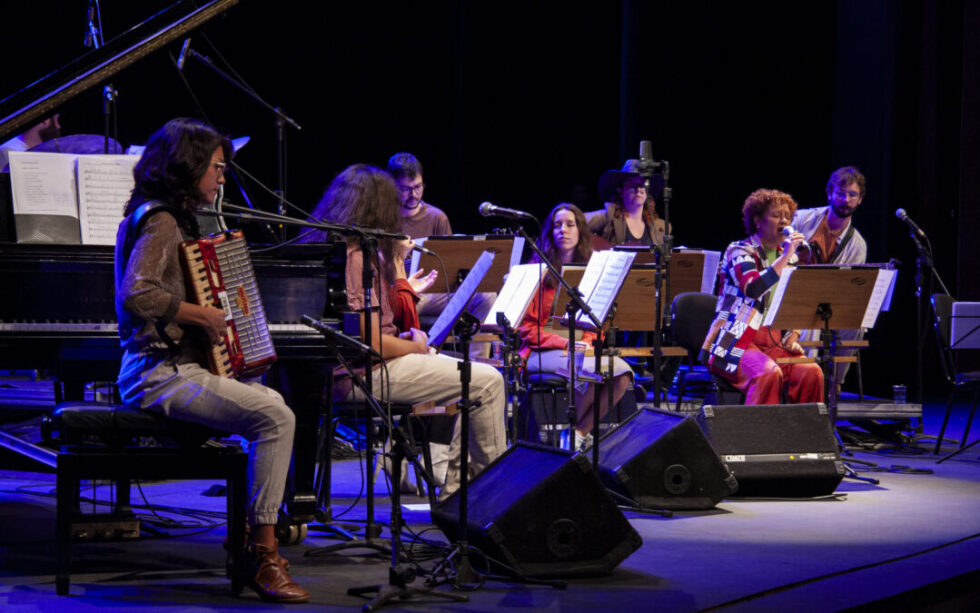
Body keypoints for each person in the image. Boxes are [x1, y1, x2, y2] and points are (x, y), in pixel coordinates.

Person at [114, 118, 308, 603]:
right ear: (190, 165)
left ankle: (250, 535)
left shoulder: (161, 216)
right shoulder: (159, 220)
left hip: (175, 368)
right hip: (157, 373)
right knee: (277, 416)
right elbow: (136, 294)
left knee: (271, 403)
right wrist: (202, 313)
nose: (222, 178)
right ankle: (263, 553)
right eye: (217, 168)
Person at [302, 164, 507, 500]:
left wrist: (407, 331)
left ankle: (462, 491)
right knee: (486, 382)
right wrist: (414, 347)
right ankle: (486, 495)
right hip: (361, 374)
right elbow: (369, 342)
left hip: (365, 367)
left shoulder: (349, 249)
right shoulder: (357, 259)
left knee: (474, 379)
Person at [518, 203, 633, 450]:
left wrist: (589, 342)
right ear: (550, 233)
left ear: (581, 231)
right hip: (541, 351)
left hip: (581, 347)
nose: (563, 230)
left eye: (570, 224)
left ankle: (578, 432)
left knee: (622, 374)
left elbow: (596, 320)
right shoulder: (536, 272)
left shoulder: (592, 271)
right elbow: (526, 329)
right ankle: (571, 437)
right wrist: (566, 343)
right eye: (557, 225)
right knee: (587, 370)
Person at [700, 188, 824, 405]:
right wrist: (785, 256)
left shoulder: (790, 259)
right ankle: (760, 438)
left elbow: (795, 304)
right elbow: (753, 288)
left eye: (787, 216)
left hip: (775, 340)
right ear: (757, 220)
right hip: (736, 338)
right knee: (767, 373)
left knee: (811, 372)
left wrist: (793, 336)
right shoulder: (739, 251)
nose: (784, 222)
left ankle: (806, 437)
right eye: (776, 215)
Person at [385, 152, 495, 358]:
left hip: (434, 292)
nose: (414, 194)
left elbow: (450, 263)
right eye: (405, 189)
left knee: (486, 297)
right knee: (405, 301)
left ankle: (478, 361)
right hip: (400, 290)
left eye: (418, 187)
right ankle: (408, 355)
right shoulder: (384, 219)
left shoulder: (436, 217)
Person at [792, 166, 869, 387]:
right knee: (809, 326)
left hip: (829, 302)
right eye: (841, 193)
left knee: (856, 324)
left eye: (852, 195)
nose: (846, 199)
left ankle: (834, 384)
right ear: (829, 194)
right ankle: (803, 384)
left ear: (860, 199)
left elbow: (850, 285)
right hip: (795, 296)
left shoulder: (857, 244)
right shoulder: (802, 220)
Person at [586, 159, 670, 247]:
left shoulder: (660, 227)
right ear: (620, 190)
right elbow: (577, 221)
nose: (638, 189)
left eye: (642, 184)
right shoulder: (609, 216)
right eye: (632, 184)